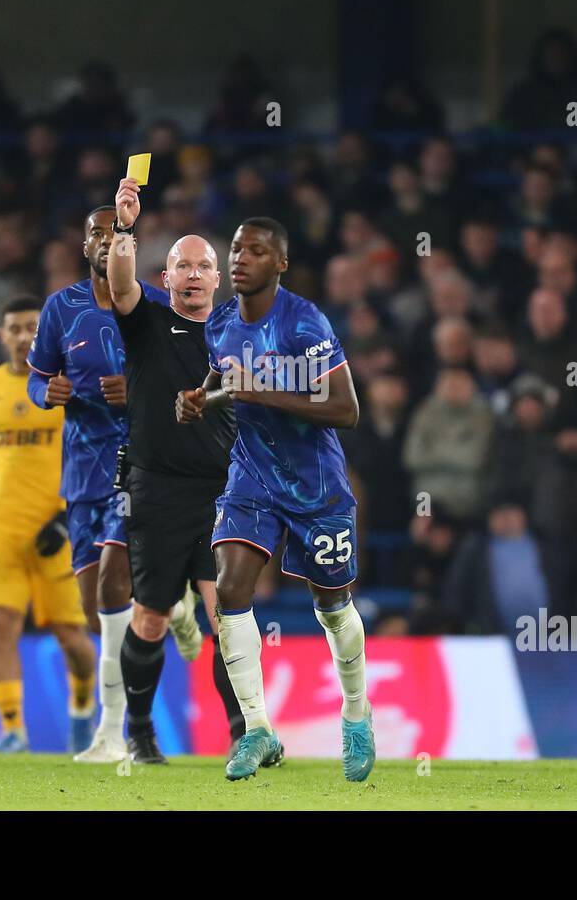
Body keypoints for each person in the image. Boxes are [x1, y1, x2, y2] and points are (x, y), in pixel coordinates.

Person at [176, 217, 374, 782]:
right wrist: (200, 400)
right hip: (252, 479)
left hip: (315, 485)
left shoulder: (305, 323)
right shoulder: (219, 323)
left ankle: (356, 714)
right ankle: (258, 731)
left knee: (333, 606)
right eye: (236, 249)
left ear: (280, 263)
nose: (240, 259)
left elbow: (347, 410)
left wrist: (261, 391)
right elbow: (222, 381)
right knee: (231, 590)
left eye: (256, 251)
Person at [26, 205, 200, 763]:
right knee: (97, 607)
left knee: (111, 587)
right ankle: (172, 605)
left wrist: (138, 390)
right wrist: (43, 394)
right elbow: (35, 376)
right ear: (85, 248)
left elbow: (184, 380)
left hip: (138, 463)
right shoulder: (62, 308)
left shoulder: (152, 306)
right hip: (82, 472)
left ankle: (111, 732)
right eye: (95, 234)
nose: (105, 241)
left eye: (113, 233)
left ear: (128, 244)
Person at [103, 176, 244, 763]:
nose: (190, 274)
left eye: (201, 266)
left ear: (218, 278)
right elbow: (117, 282)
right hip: (156, 490)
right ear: (166, 278)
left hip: (222, 494)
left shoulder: (240, 336)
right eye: (181, 265)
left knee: (229, 618)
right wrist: (126, 228)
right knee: (152, 617)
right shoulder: (148, 323)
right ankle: (139, 730)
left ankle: (245, 733)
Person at [0, 296, 98, 753]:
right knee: (3, 624)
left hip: (59, 528)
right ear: (1, 335)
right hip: (1, 525)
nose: (23, 337)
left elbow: (91, 456)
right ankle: (12, 731)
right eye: (14, 328)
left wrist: (66, 515)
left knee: (71, 637)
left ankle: (82, 706)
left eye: (32, 328)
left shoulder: (70, 386)